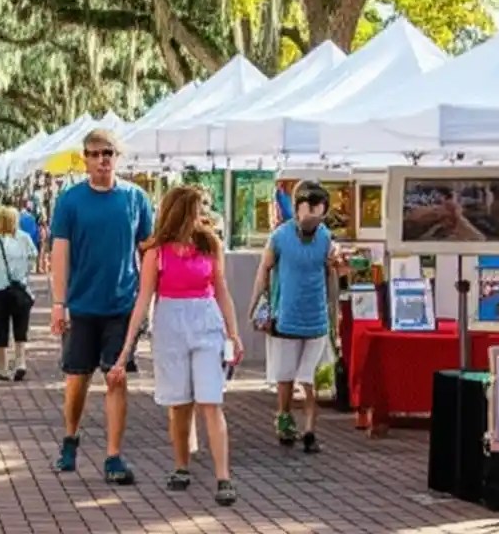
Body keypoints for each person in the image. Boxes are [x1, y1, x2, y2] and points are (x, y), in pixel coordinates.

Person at [110, 185, 242, 505]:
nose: (202, 215)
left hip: (206, 322)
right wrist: (127, 348)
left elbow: (221, 289)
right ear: (182, 213)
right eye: (197, 209)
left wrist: (233, 332)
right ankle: (182, 465)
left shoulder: (210, 244)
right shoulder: (156, 253)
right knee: (179, 402)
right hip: (170, 325)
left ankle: (223, 477)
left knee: (211, 399)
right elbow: (144, 299)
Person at [49, 129, 154, 484]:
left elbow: (148, 249)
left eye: (108, 153)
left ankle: (113, 456)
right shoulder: (70, 201)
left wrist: (148, 299)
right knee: (77, 378)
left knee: (116, 377)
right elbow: (60, 252)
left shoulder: (135, 198)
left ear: (117, 157)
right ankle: (70, 438)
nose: (102, 160)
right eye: (94, 154)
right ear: (85, 160)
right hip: (81, 305)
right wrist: (59, 303)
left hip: (121, 305)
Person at [251, 180, 338, 453]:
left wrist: (334, 312)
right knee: (289, 376)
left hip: (312, 319)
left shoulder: (324, 238)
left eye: (319, 208)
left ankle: (306, 429)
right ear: (297, 206)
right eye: (310, 206)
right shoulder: (281, 236)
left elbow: (332, 274)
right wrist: (256, 305)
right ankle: (288, 420)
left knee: (306, 378)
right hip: (288, 318)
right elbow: (264, 270)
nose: (314, 213)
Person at [0, 206, 38, 381]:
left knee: (0, 328)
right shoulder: (25, 238)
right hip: (20, 289)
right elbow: (33, 259)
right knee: (21, 329)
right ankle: (20, 362)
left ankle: (2, 368)